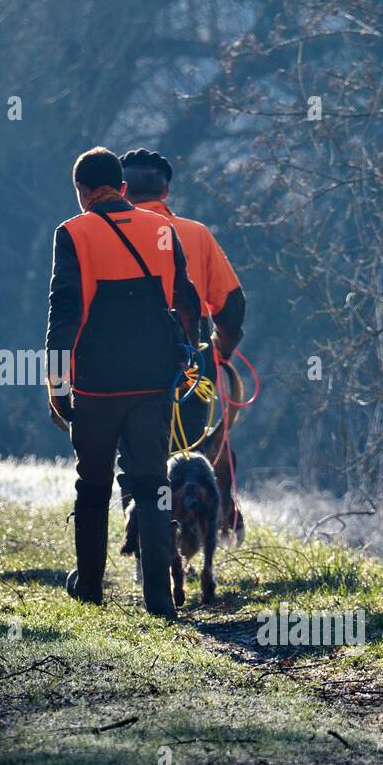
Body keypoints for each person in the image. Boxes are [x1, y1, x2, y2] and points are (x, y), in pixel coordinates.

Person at [45, 147, 208, 618]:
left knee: (92, 484)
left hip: (96, 384)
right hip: (152, 383)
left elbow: (64, 314)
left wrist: (58, 385)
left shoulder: (72, 233)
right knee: (154, 484)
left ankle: (90, 586)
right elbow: (187, 298)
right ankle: (158, 596)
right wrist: (189, 355)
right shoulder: (162, 229)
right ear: (120, 186)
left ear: (82, 191)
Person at [121, 147, 247, 536]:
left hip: (125, 364)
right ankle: (195, 526)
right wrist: (222, 347)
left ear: (122, 189)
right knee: (192, 450)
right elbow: (231, 305)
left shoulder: (97, 234)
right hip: (192, 365)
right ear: (167, 191)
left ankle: (145, 537)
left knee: (138, 453)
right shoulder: (195, 234)